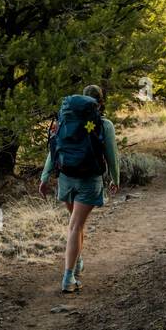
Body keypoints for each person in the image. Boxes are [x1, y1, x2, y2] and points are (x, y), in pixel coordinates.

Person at [39, 84, 119, 293]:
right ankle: (68, 278)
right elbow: (112, 154)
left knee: (76, 224)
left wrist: (45, 176)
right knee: (76, 226)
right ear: (99, 103)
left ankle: (77, 261)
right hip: (89, 181)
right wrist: (115, 178)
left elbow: (54, 149)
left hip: (66, 178)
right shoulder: (104, 124)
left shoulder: (65, 120)